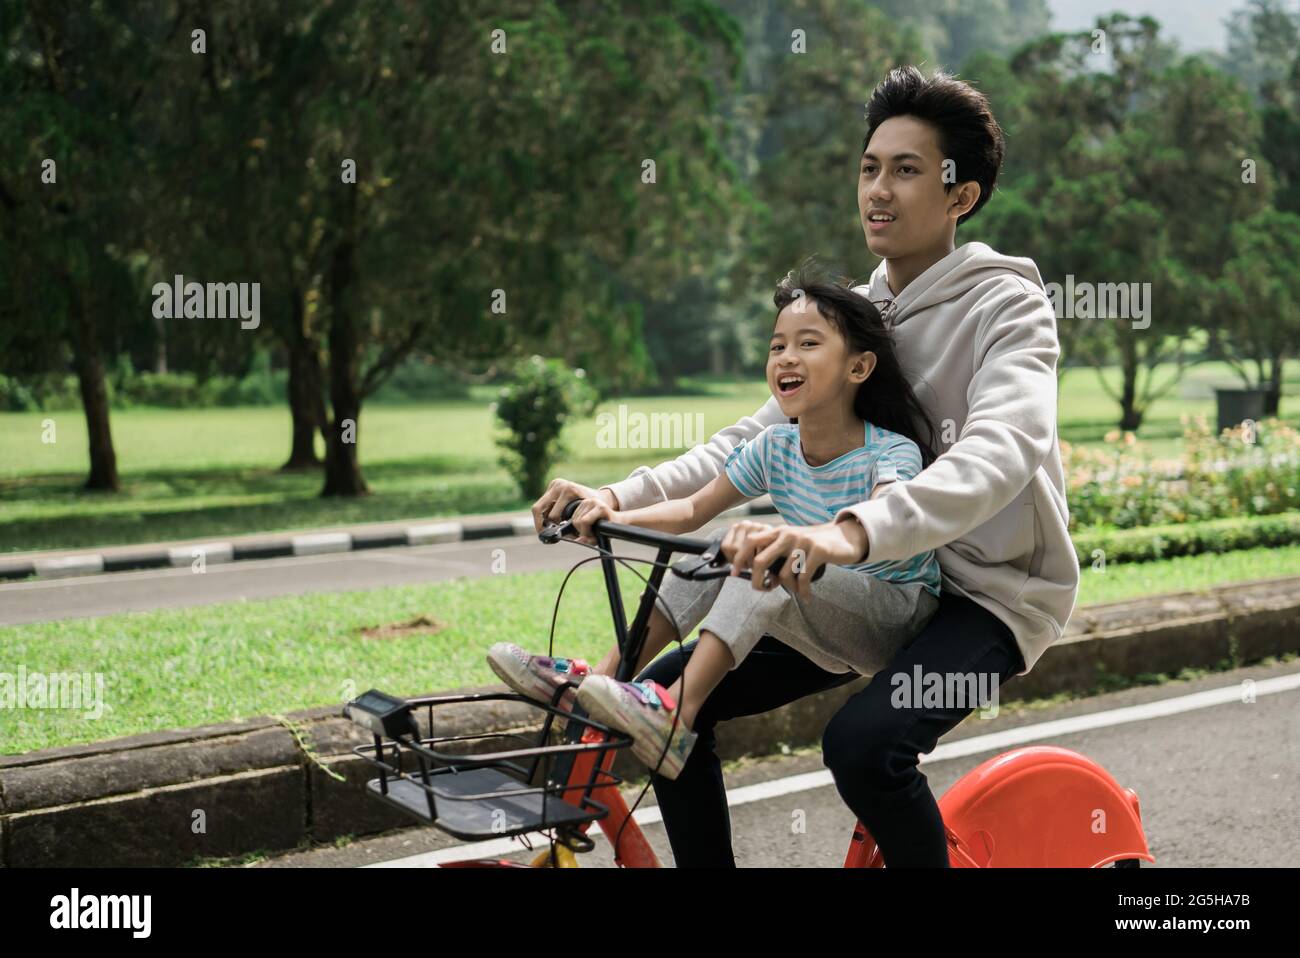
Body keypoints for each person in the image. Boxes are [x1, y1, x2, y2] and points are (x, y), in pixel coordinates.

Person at [530, 65, 1079, 867]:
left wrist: (844, 533)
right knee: (679, 706)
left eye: (907, 170)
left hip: (986, 599)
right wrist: (612, 495)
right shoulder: (849, 319)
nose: (878, 191)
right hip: (857, 580)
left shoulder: (1008, 307)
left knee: (863, 747)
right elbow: (742, 445)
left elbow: (1001, 451)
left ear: (961, 196)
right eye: (869, 168)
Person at [489, 263, 944, 780]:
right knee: (717, 545)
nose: (787, 358)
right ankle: (600, 682)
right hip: (822, 607)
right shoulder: (775, 446)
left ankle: (676, 712)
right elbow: (692, 509)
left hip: (894, 617)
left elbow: (886, 512)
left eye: (809, 344)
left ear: (858, 368)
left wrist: (796, 542)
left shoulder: (890, 453)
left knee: (762, 549)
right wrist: (612, 511)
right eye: (777, 346)